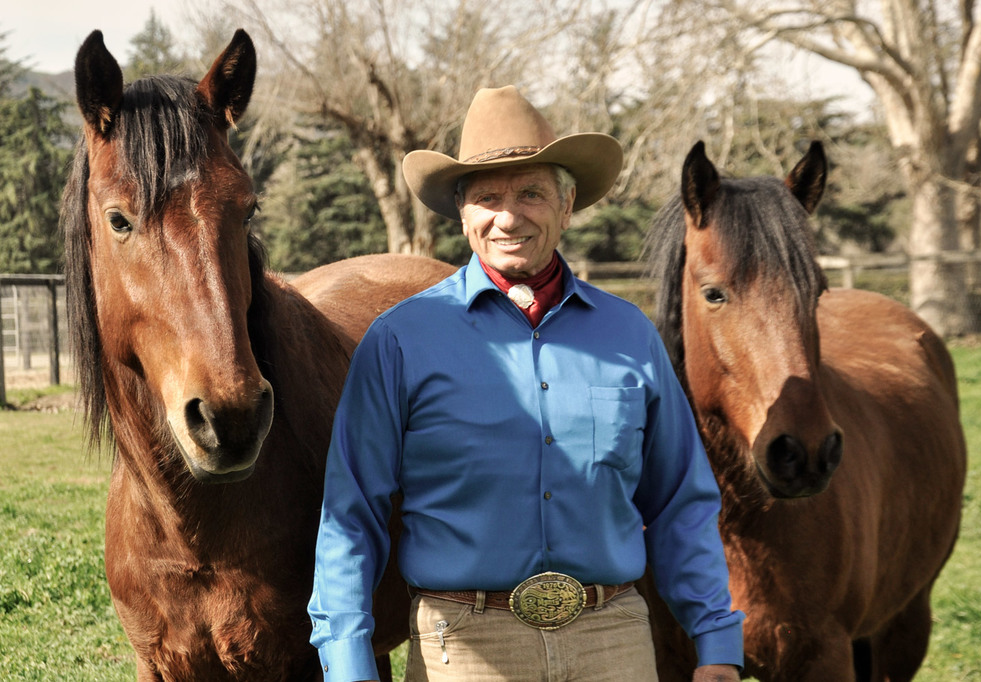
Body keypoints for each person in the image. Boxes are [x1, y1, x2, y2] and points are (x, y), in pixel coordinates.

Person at [308, 85, 744, 682]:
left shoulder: (629, 336)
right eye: (488, 197)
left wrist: (716, 640)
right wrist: (348, 663)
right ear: (462, 215)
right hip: (462, 646)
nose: (508, 217)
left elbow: (680, 502)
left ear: (567, 208)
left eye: (532, 194)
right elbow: (351, 513)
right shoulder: (400, 342)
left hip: (612, 638)